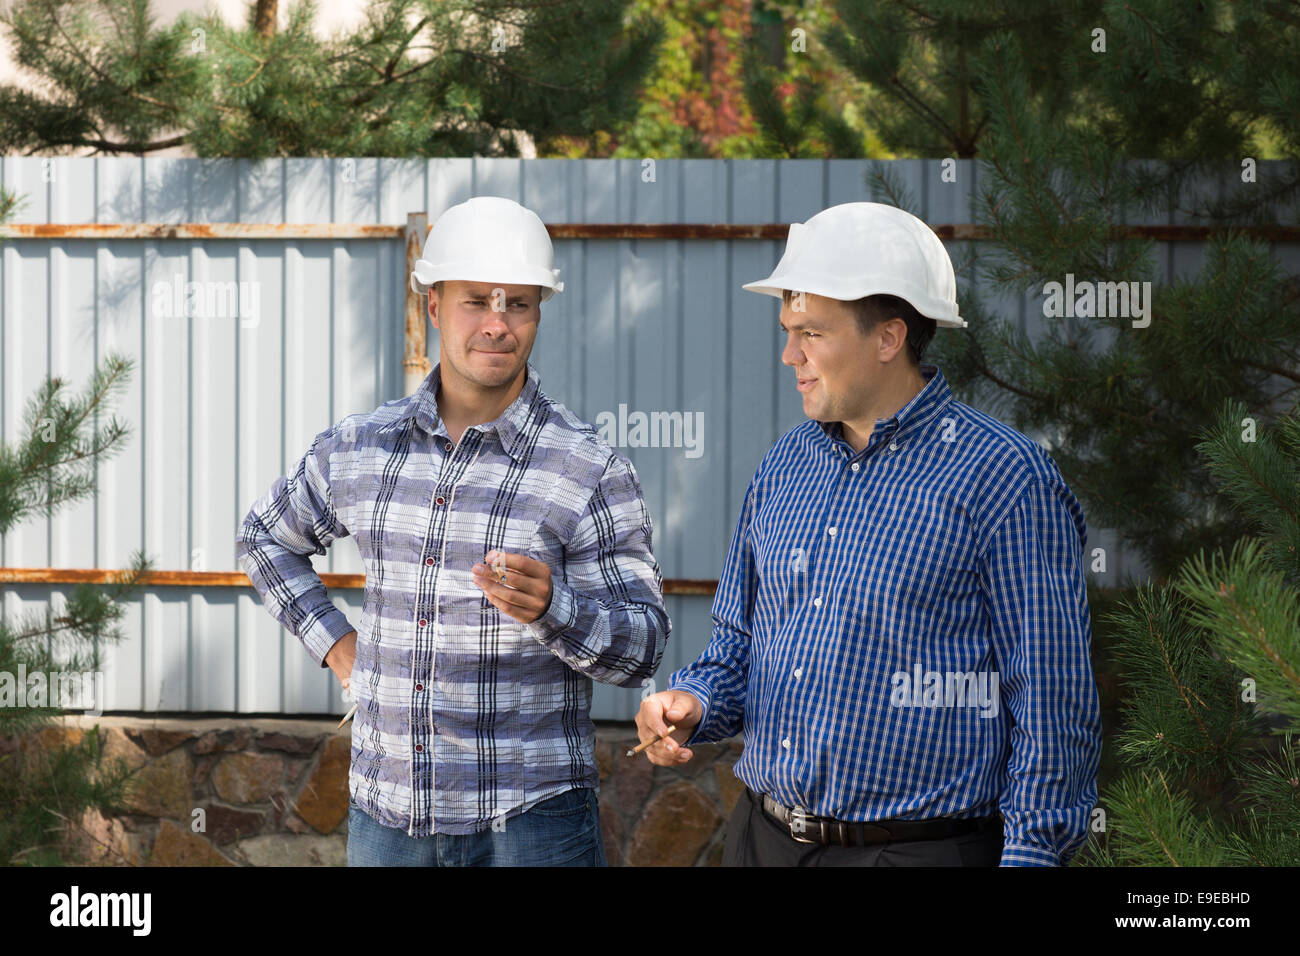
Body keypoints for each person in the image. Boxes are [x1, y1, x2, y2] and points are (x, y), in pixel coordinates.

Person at [635, 201, 1102, 866]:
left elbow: (1053, 701)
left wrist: (1030, 855)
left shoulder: (1004, 477)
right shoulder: (785, 464)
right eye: (788, 329)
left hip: (917, 853)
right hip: (761, 841)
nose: (789, 354)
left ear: (888, 338)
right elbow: (737, 646)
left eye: (812, 333)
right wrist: (692, 702)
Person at [238, 195, 669, 866]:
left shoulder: (588, 468)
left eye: (519, 304)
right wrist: (341, 647)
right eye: (477, 301)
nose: (498, 325)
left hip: (533, 826)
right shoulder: (361, 447)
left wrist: (555, 609)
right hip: (388, 821)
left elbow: (642, 646)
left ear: (538, 313)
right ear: (433, 306)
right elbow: (264, 540)